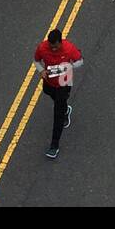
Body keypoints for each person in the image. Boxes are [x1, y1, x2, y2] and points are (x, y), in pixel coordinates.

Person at [34, 29, 83, 159]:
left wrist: (70, 66)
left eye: (55, 47)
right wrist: (41, 71)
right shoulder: (42, 48)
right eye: (51, 47)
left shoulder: (69, 48)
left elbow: (80, 61)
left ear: (60, 42)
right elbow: (36, 60)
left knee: (57, 114)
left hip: (64, 82)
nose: (53, 49)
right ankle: (66, 109)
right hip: (49, 81)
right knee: (47, 91)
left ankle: (54, 146)